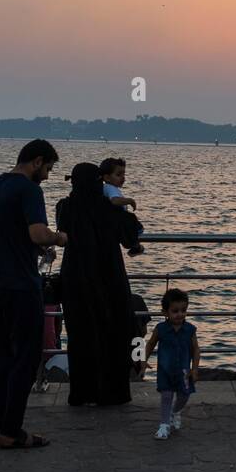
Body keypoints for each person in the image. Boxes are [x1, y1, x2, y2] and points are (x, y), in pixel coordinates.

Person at [0, 139, 67, 449]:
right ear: (37, 161)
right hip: (21, 285)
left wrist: (27, 245)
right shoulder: (30, 190)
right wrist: (58, 238)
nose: (47, 176)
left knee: (4, 355)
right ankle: (11, 431)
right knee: (27, 358)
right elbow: (37, 232)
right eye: (48, 169)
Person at [56, 161, 142, 407]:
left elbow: (62, 231)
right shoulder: (108, 208)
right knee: (114, 332)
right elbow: (130, 234)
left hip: (76, 278)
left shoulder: (65, 207)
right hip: (109, 277)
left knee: (80, 335)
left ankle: (82, 392)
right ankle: (112, 393)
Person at [143, 288, 200, 439]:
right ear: (165, 312)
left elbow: (195, 349)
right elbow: (150, 344)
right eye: (175, 311)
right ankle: (164, 425)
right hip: (165, 370)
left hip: (183, 371)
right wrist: (143, 361)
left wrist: (195, 369)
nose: (180, 314)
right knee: (166, 395)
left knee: (184, 396)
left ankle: (176, 411)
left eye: (183, 310)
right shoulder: (161, 329)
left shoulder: (189, 329)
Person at [99, 157, 144, 254]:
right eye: (118, 175)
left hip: (113, 221)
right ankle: (135, 246)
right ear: (107, 177)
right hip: (118, 220)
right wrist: (130, 201)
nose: (123, 177)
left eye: (124, 174)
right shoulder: (111, 188)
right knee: (133, 223)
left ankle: (134, 246)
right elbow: (114, 201)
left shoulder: (105, 188)